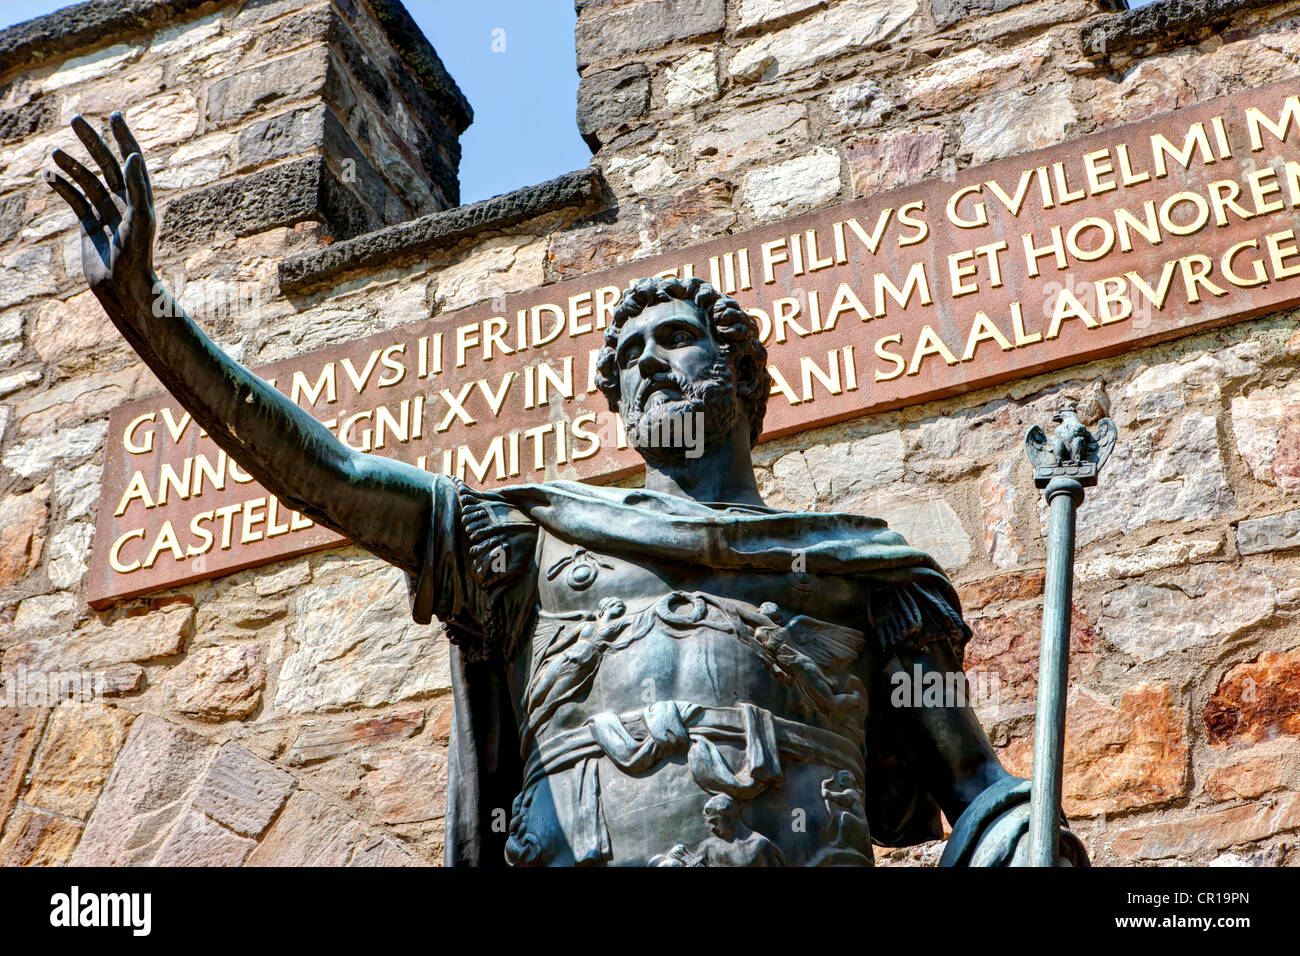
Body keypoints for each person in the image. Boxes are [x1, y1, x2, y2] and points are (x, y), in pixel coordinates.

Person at [46, 113, 1088, 867]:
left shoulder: (867, 573)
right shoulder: (529, 540)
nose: (645, 363)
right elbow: (335, 476)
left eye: (675, 341)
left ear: (738, 375)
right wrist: (152, 314)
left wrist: (1021, 837)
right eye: (626, 354)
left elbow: (976, 790)